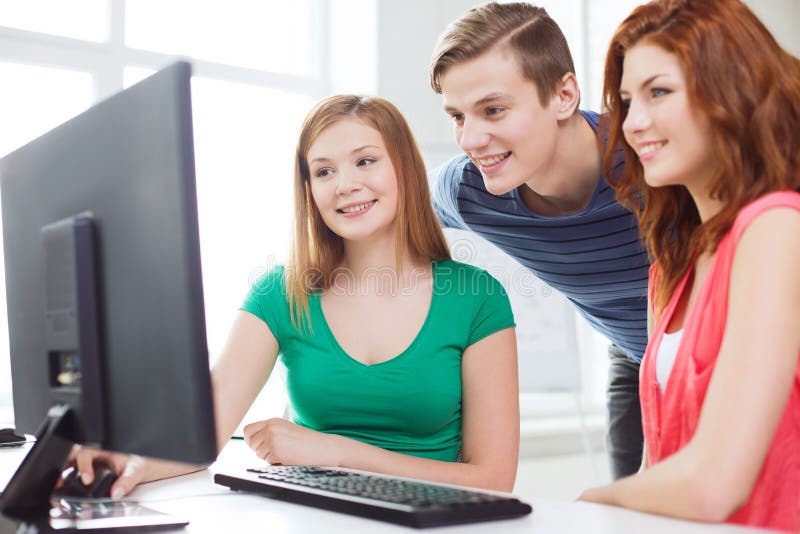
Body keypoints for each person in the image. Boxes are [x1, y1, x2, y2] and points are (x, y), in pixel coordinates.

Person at [68, 95, 521, 497]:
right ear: (309, 190)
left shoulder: (476, 298)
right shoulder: (279, 294)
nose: (345, 184)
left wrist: (337, 452)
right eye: (324, 171)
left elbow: (493, 479)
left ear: (404, 168)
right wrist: (129, 462)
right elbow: (200, 437)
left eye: (365, 161)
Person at [578, 0, 800, 529]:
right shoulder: (669, 272)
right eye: (627, 101)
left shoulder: (777, 227)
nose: (634, 124)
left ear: (732, 88)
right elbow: (661, 467)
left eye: (660, 92)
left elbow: (713, 486)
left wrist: (585, 506)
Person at [429, 2, 649, 480]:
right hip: (636, 361)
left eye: (493, 110)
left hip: (737, 355)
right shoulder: (467, 192)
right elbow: (390, 218)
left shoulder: (650, 158)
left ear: (564, 94)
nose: (470, 138)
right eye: (457, 116)